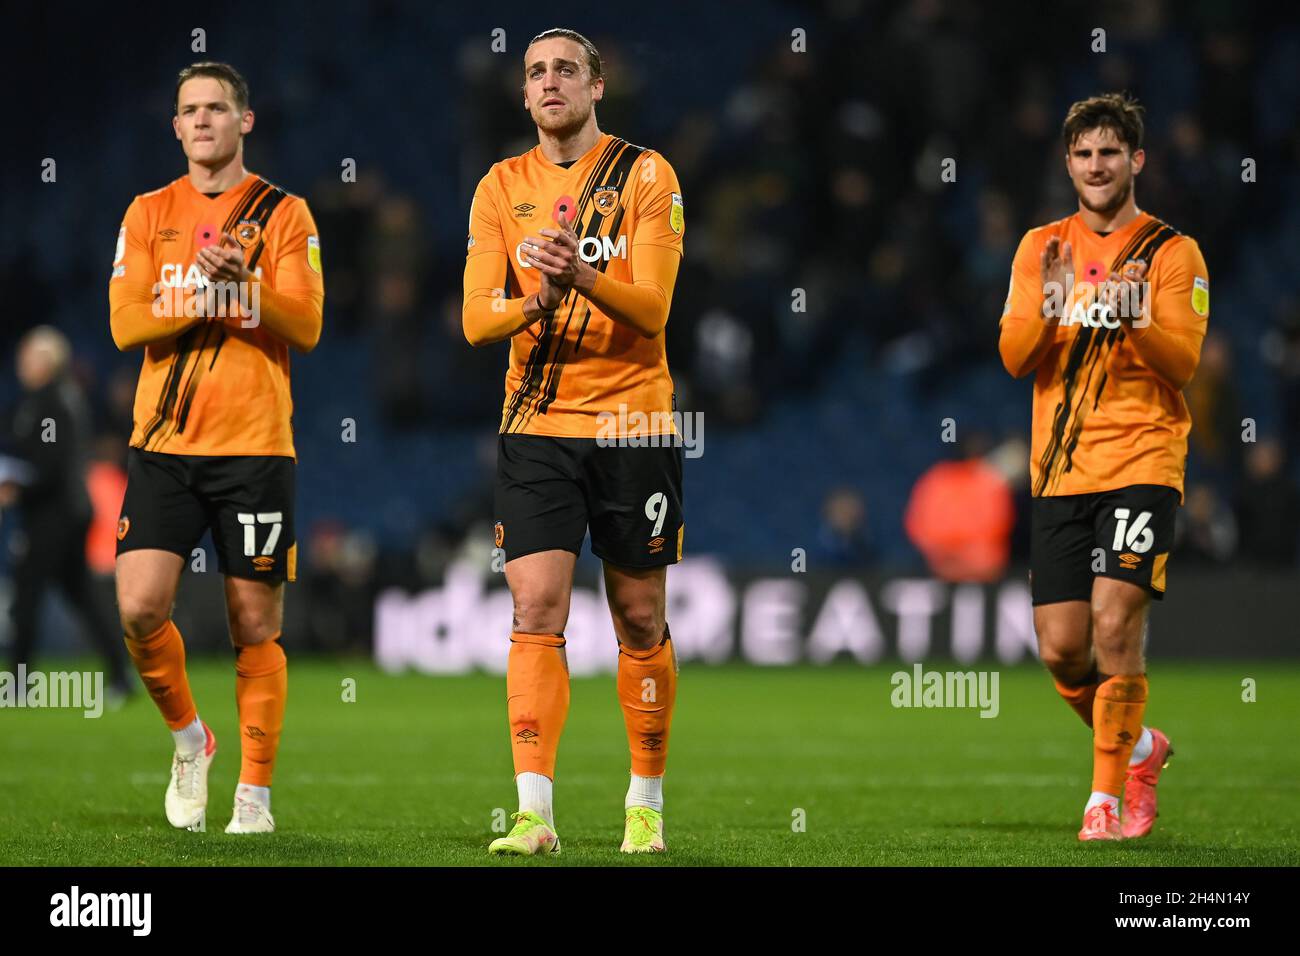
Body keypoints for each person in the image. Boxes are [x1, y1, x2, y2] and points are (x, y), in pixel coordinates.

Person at [462, 28, 686, 855]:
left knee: (638, 615)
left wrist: (582, 276)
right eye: (534, 73)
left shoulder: (647, 174)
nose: (548, 82)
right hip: (536, 425)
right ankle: (534, 814)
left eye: (564, 69)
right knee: (535, 607)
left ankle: (646, 801)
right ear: (523, 96)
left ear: (598, 85)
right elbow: (476, 319)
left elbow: (655, 309)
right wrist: (535, 300)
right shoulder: (499, 187)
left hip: (633, 420)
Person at [109, 61, 324, 834]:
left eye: (216, 109)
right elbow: (126, 325)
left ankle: (254, 797)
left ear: (245, 121)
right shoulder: (146, 213)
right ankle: (191, 739)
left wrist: (248, 284)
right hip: (164, 444)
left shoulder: (286, 214)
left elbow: (306, 324)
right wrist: (207, 292)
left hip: (256, 447)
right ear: (175, 127)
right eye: (189, 110)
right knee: (138, 609)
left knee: (254, 624)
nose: (202, 121)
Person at [998, 93, 1209, 841]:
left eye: (1110, 153)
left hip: (1143, 461)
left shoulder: (1172, 253)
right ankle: (1142, 748)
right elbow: (1014, 358)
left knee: (1117, 625)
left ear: (1136, 161)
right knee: (1062, 649)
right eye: (1084, 154)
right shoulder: (1039, 248)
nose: (1097, 165)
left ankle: (1104, 801)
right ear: (1068, 163)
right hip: (1060, 473)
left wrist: (1136, 318)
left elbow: (1182, 366)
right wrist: (1054, 308)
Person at [3, 327, 133, 700]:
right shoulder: (48, 400)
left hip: (54, 515)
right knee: (82, 595)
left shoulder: (51, 405)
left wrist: (16, 486)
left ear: (48, 361)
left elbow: (50, 459)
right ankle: (121, 675)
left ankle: (18, 684)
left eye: (29, 357)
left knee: (27, 593)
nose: (21, 363)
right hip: (67, 512)